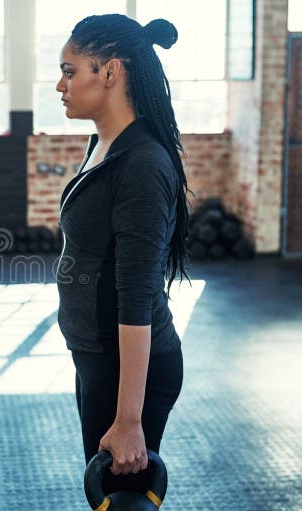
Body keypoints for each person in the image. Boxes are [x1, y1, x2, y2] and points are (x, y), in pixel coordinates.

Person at [54, 14, 188, 494]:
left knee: (122, 502)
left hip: (126, 370)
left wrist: (129, 418)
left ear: (109, 72)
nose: (59, 84)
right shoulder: (105, 143)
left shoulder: (142, 163)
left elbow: (134, 294)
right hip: (97, 357)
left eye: (70, 71)